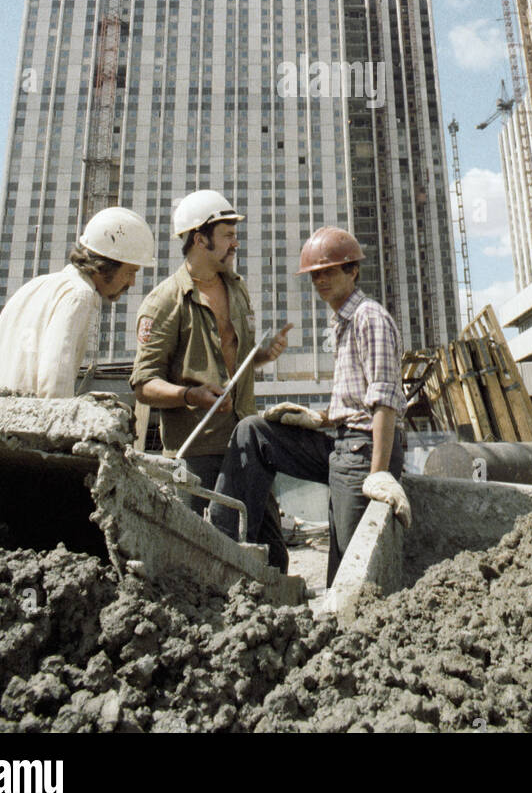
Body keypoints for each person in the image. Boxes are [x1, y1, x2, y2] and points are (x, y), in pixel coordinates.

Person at [211, 226, 411, 586]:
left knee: (350, 569)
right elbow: (355, 402)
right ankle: (233, 549)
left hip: (366, 451)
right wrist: (314, 419)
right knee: (255, 433)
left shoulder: (369, 318)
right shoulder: (341, 323)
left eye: (329, 272)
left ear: (353, 271)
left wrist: (378, 473)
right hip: (342, 442)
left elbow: (383, 403)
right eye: (315, 275)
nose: (320, 281)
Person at [130, 189, 291, 563]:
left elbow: (237, 361)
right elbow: (143, 384)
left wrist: (265, 355)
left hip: (247, 444)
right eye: (227, 235)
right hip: (197, 453)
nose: (236, 242)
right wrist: (191, 396)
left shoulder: (236, 288)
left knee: (272, 555)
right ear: (199, 238)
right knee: (202, 557)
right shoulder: (164, 301)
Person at [0, 208, 155, 399]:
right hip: (23, 422)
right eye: (130, 272)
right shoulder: (79, 295)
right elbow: (55, 380)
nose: (132, 282)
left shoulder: (37, 285)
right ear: (106, 265)